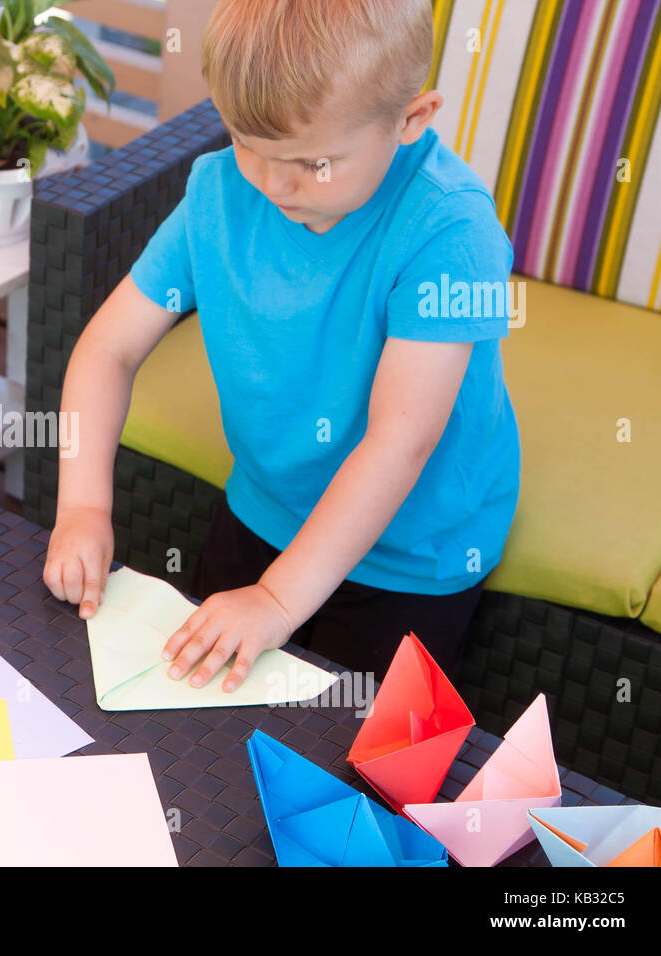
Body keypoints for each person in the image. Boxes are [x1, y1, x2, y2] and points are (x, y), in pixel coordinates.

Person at [42, 0, 520, 687]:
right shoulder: (221, 191)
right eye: (249, 146)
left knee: (344, 756)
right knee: (200, 706)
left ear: (412, 120)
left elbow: (399, 443)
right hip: (267, 503)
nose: (271, 183)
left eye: (312, 162)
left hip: (415, 550)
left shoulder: (450, 231)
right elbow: (108, 350)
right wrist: (83, 507)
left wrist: (276, 600)